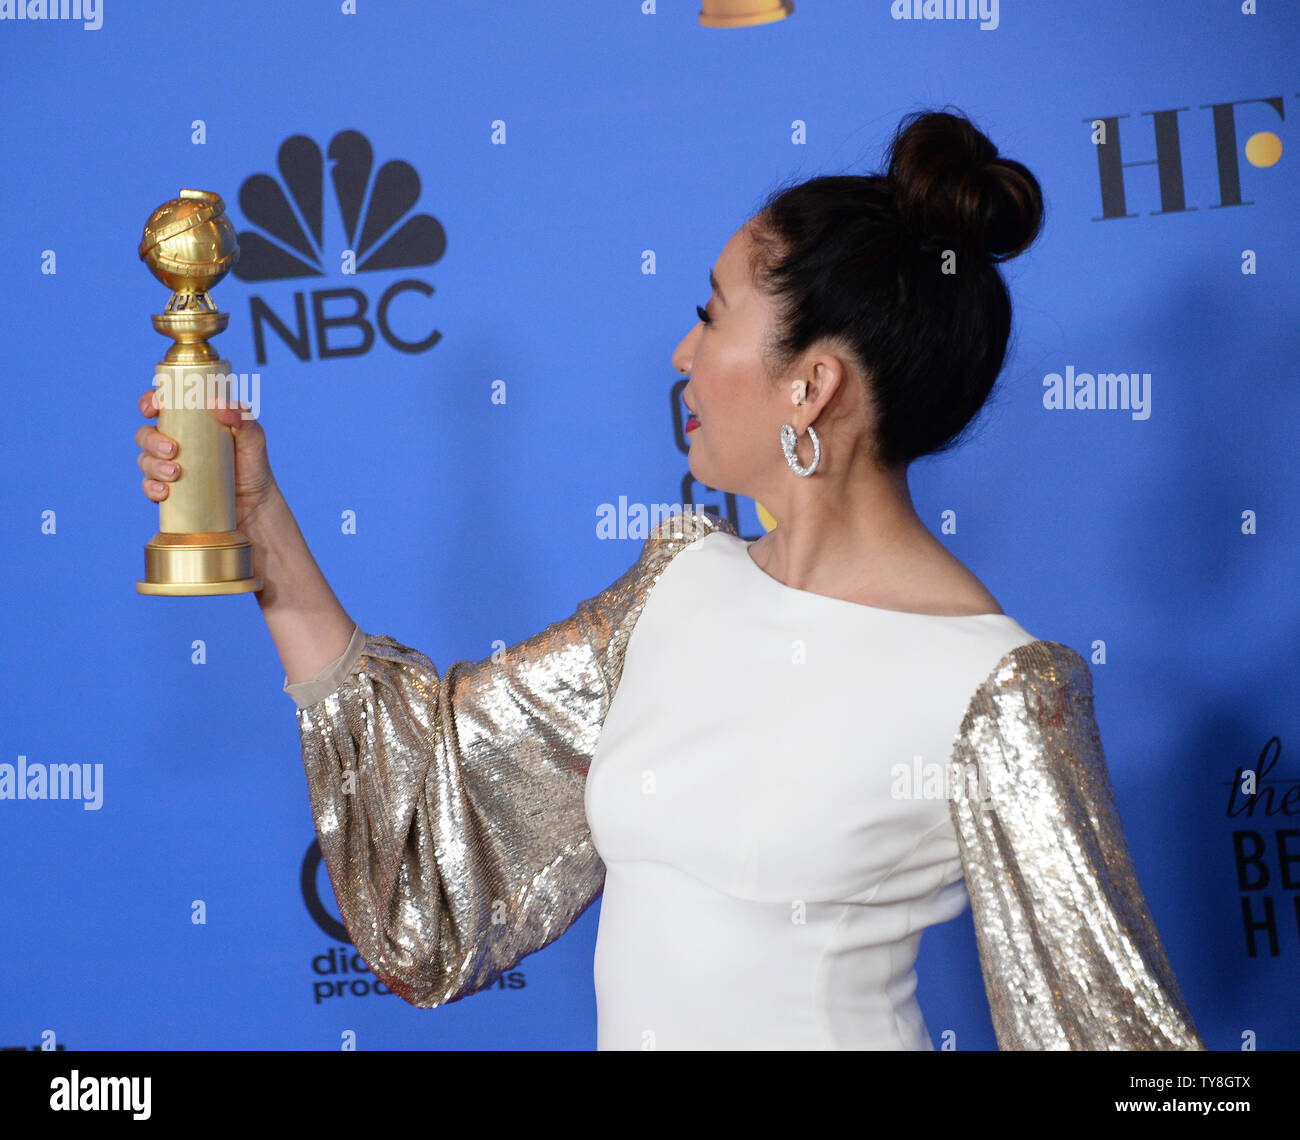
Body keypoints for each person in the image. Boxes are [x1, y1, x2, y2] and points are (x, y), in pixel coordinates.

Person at [134, 107, 1205, 1051]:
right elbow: (438, 812)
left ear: (812, 383)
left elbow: (1108, 1039)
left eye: (710, 313)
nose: (682, 356)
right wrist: (262, 529)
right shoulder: (675, 587)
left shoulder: (1000, 689)